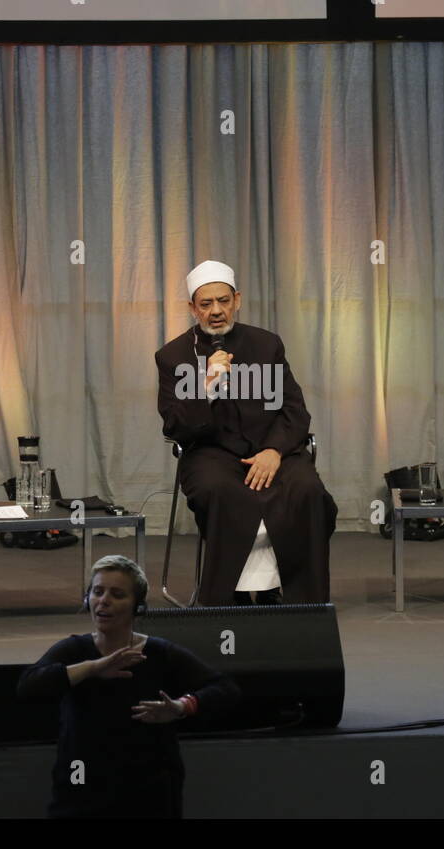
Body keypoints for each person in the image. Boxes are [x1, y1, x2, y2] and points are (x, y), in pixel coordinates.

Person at [155, 260, 337, 606]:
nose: (217, 311)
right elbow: (174, 426)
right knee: (223, 492)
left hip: (273, 450)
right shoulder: (173, 356)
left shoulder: (266, 345)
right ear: (192, 308)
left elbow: (295, 410)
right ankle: (231, 596)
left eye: (223, 301)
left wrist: (274, 451)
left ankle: (300, 600)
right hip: (211, 454)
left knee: (306, 490)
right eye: (206, 304)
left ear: (237, 300)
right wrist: (205, 386)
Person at [17, 555, 240, 818]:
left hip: (148, 794)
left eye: (117, 594)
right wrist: (93, 667)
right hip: (82, 793)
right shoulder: (73, 650)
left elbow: (226, 689)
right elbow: (28, 686)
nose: (104, 601)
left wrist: (182, 707)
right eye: (97, 592)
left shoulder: (159, 653)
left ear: (137, 606)